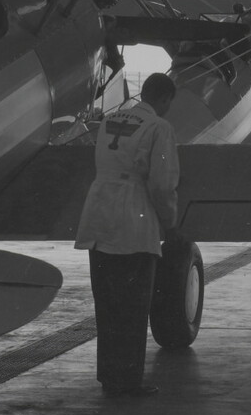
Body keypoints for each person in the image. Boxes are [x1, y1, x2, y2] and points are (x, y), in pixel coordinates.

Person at [75, 73, 181, 398]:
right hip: (132, 222)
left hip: (98, 214)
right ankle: (129, 382)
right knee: (133, 307)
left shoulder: (109, 120)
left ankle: (109, 377)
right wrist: (170, 222)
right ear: (163, 100)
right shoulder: (159, 127)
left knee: (106, 304)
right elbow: (162, 184)